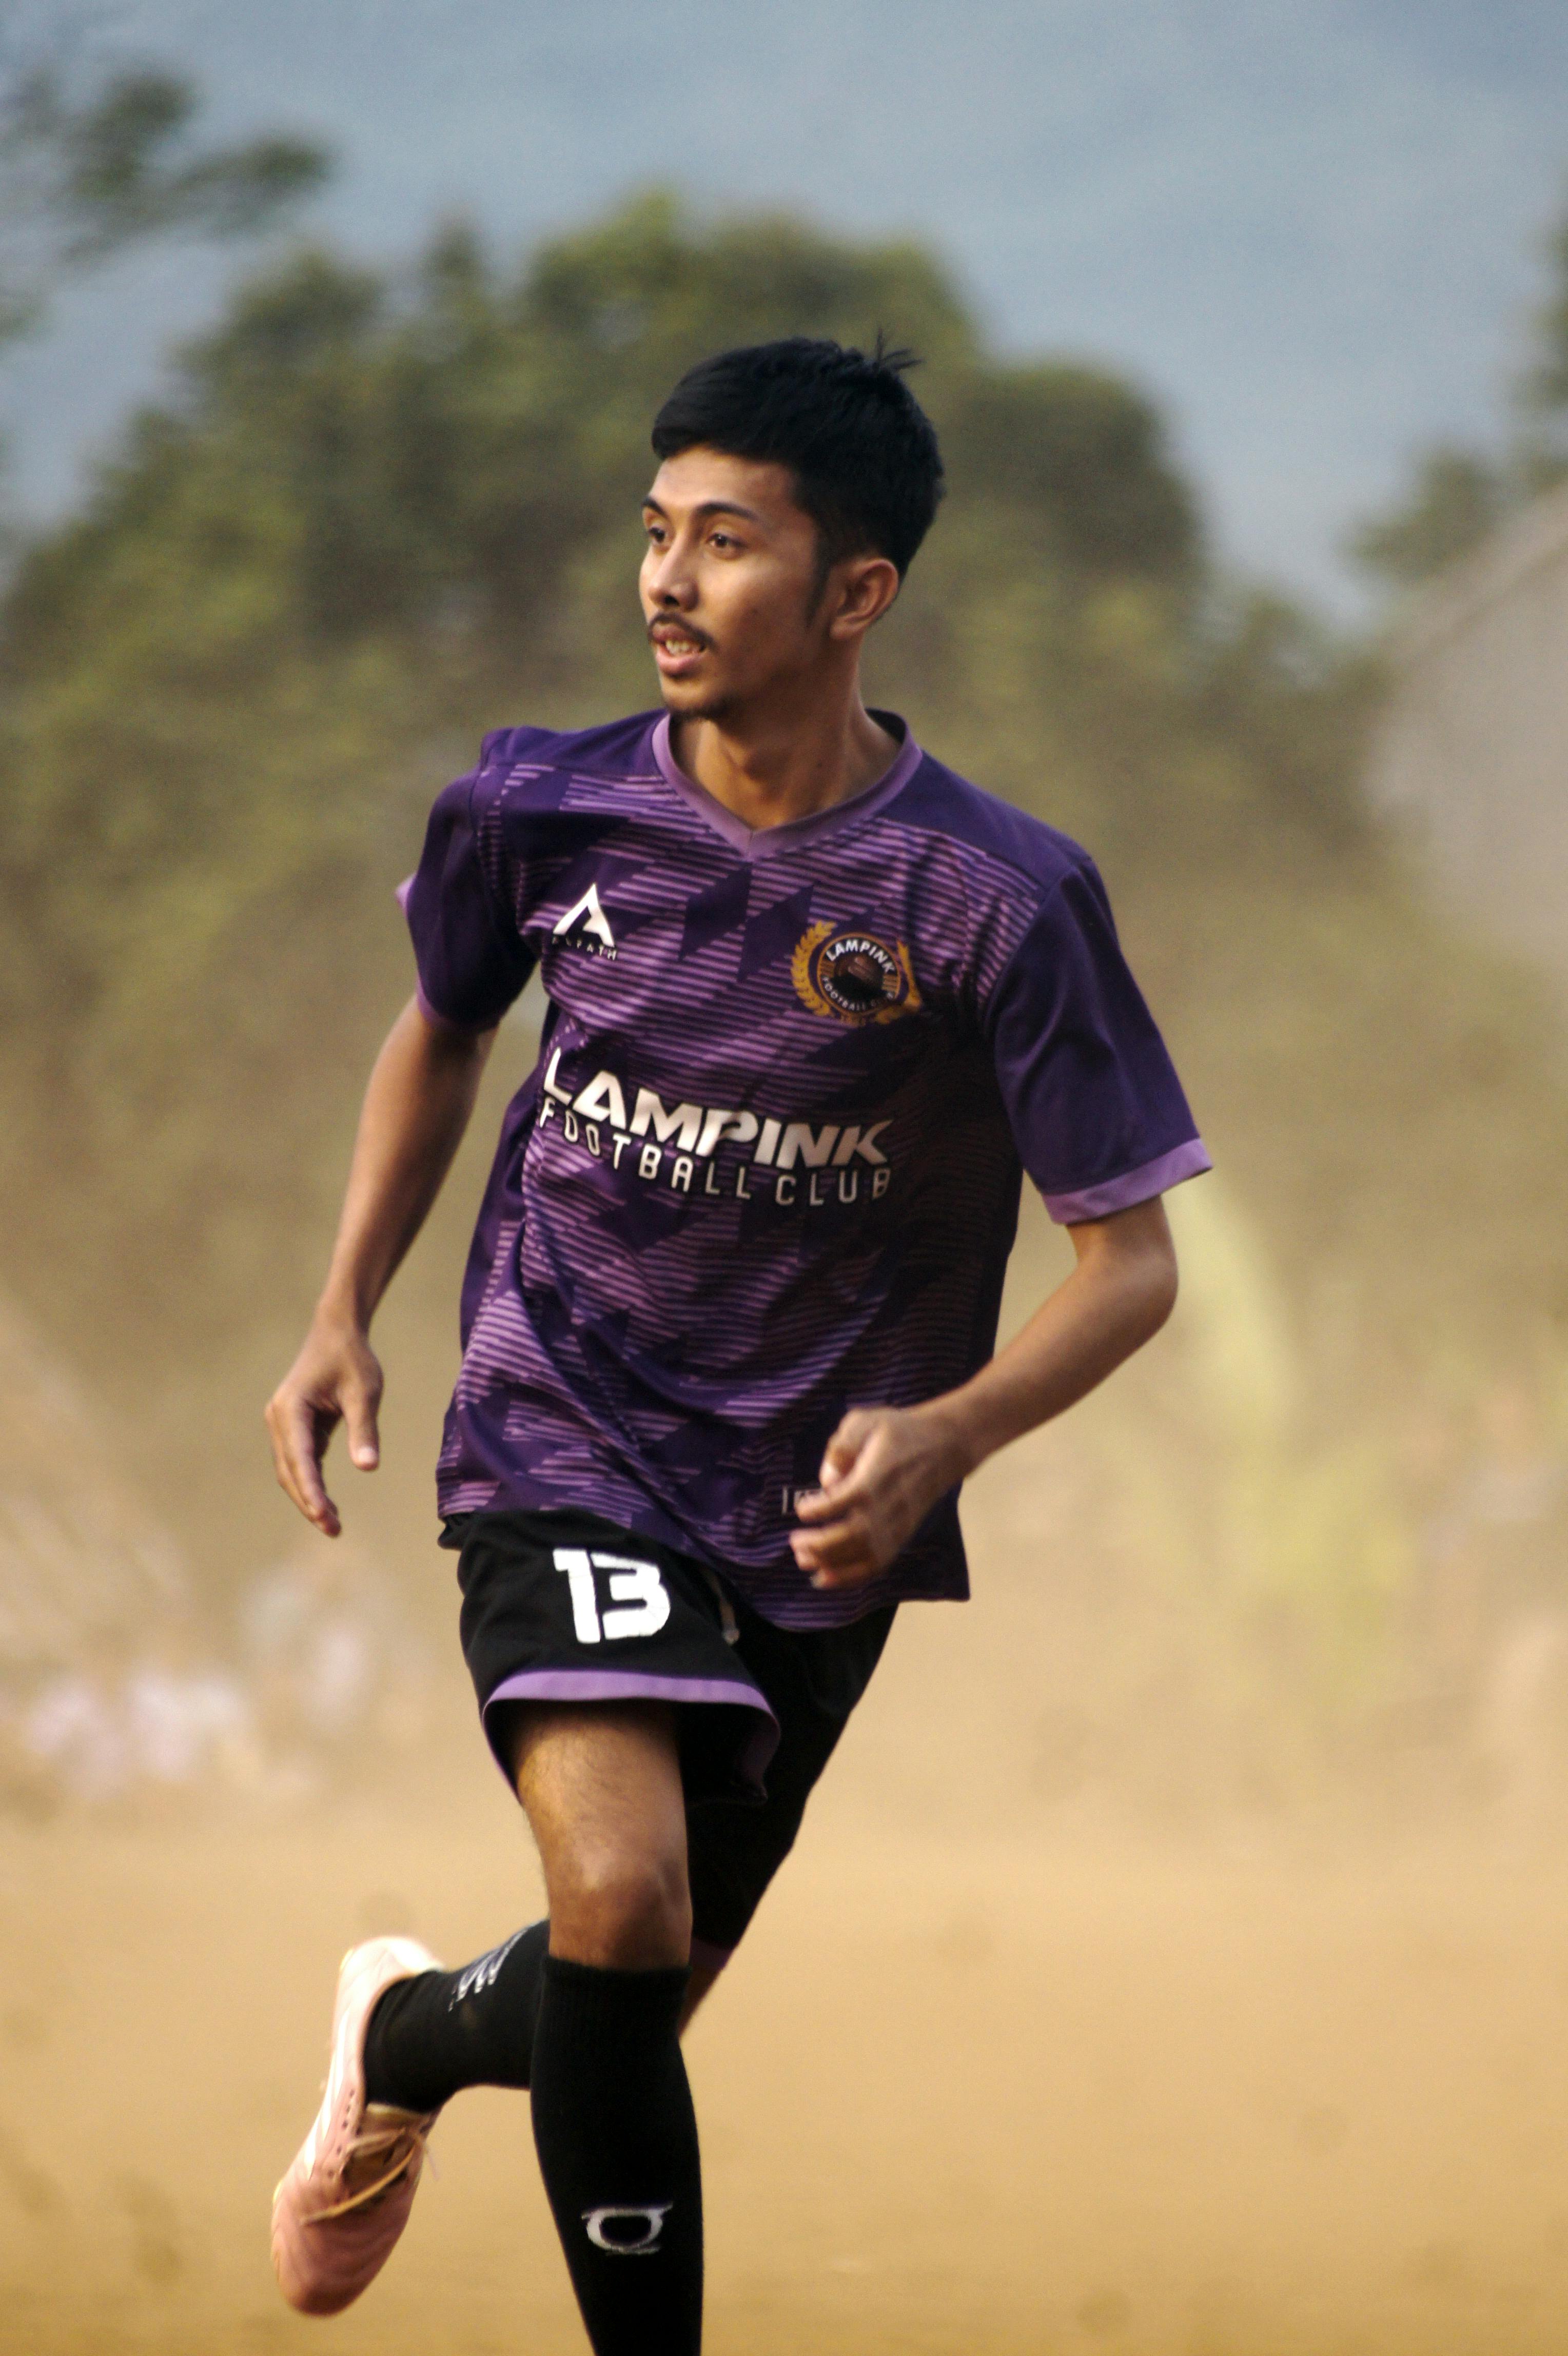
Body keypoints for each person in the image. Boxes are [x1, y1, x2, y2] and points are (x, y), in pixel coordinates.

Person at [263, 336, 1210, 2352]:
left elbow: (1129, 1261)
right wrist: (341, 1304)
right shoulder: (539, 806)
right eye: (653, 533)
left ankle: (411, 2031)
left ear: (854, 591)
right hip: (560, 1424)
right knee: (621, 1904)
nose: (667, 583)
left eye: (725, 541)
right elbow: (439, 1024)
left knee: (637, 1975)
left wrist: (948, 1430)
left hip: (811, 1519)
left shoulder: (993, 899)